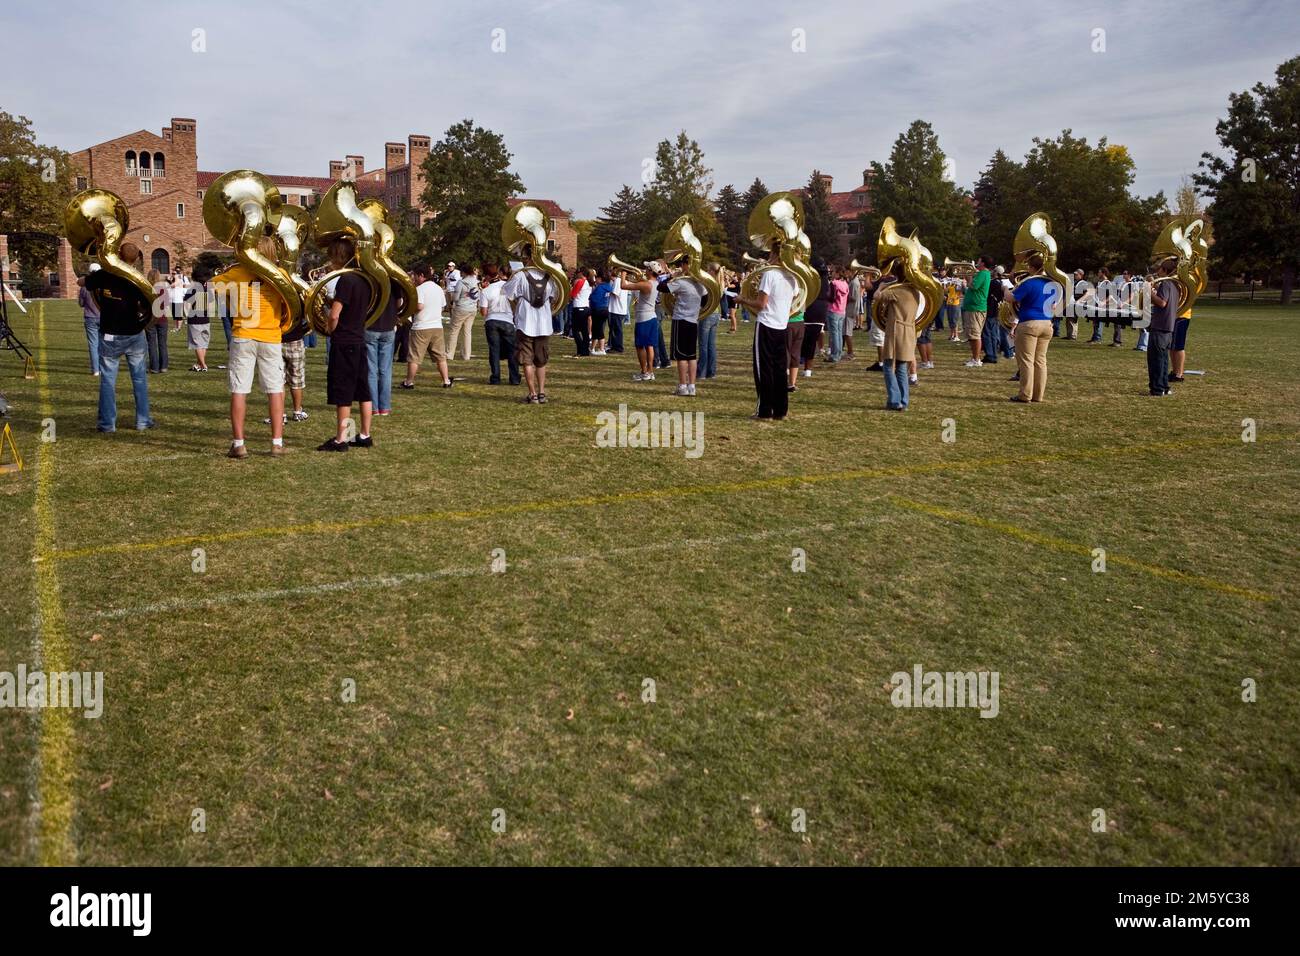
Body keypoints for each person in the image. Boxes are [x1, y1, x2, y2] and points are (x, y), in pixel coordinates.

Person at [218, 240, 287, 458]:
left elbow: (211, 287)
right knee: (275, 390)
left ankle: (239, 444)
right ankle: (277, 443)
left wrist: (232, 291)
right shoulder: (280, 274)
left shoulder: (238, 273)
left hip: (243, 336)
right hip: (271, 337)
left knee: (239, 390)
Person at [86, 241, 153, 432]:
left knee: (108, 380)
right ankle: (143, 420)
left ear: (119, 255)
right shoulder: (138, 278)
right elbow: (148, 304)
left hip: (110, 334)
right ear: (136, 259)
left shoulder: (105, 274)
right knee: (139, 378)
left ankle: (107, 424)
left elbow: (83, 283)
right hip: (135, 333)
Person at [318, 237, 375, 451]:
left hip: (344, 341)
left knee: (344, 392)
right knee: (362, 390)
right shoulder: (364, 279)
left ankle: (341, 439)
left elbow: (335, 316)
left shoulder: (345, 280)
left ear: (338, 256)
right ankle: (363, 435)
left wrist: (329, 328)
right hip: (359, 339)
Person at [736, 247, 796, 421]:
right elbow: (794, 299)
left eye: (770, 253)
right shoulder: (793, 276)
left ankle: (764, 411)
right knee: (779, 369)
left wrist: (743, 300)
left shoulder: (770, 274)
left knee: (764, 369)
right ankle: (780, 410)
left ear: (775, 254)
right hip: (782, 325)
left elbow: (761, 304)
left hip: (767, 324)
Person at [502, 255, 559, 404]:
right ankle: (541, 393)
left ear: (528, 257)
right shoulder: (551, 276)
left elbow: (507, 293)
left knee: (527, 361)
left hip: (525, 323)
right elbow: (556, 297)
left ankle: (532, 394)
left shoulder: (520, 274)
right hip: (544, 324)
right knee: (541, 361)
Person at [1005, 253, 1054, 404]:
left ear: (1032, 267)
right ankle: (1038, 396)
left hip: (1029, 324)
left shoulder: (1029, 283)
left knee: (1026, 361)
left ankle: (1025, 395)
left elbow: (1011, 298)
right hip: (1046, 324)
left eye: (1028, 266)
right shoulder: (1050, 283)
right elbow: (1054, 305)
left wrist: (1005, 288)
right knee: (1040, 361)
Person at [874, 262, 918, 411]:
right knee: (901, 367)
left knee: (888, 365)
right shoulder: (915, 291)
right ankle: (903, 401)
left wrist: (880, 286)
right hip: (909, 330)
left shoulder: (898, 290)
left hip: (896, 330)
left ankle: (894, 401)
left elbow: (877, 297)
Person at [402, 262, 453, 390]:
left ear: (421, 275)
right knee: (440, 356)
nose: (413, 278)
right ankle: (446, 380)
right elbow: (442, 306)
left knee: (414, 357)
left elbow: (419, 306)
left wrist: (409, 310)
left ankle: (409, 381)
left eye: (415, 276)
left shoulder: (419, 289)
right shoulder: (438, 289)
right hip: (436, 326)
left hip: (421, 326)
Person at [659, 260, 705, 396]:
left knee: (681, 356)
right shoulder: (700, 284)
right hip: (693, 321)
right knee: (692, 355)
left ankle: (682, 386)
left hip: (681, 320)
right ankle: (692, 387)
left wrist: (671, 276)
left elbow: (661, 287)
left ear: (686, 265)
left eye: (682, 264)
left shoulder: (681, 282)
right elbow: (706, 299)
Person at [480, 263, 520, 385]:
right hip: (507, 319)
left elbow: (484, 312)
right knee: (512, 350)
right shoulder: (507, 286)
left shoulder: (486, 291)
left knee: (494, 350)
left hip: (492, 320)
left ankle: (495, 377)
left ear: (487, 276)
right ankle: (514, 378)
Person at [1146, 258, 1180, 397]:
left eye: (1160, 268)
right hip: (1168, 327)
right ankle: (1164, 387)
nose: (1157, 271)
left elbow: (1162, 303)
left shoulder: (1165, 283)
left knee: (1156, 360)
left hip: (1160, 327)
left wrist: (1149, 292)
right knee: (1163, 360)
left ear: (1165, 270)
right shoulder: (1175, 285)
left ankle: (1157, 389)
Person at [622, 266, 660, 382]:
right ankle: (650, 372)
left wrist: (623, 274)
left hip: (643, 318)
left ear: (650, 271)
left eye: (646, 269)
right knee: (649, 345)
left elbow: (623, 286)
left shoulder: (646, 284)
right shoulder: (656, 283)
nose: (644, 271)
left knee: (640, 346)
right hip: (652, 316)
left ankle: (644, 372)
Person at [799, 259, 831, 379]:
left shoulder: (810, 279)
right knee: (812, 342)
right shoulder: (825, 281)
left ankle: (792, 367)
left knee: (800, 341)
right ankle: (808, 370)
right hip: (821, 311)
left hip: (809, 308)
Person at [961, 256, 991, 367]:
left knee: (975, 334)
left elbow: (973, 285)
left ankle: (976, 359)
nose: (977, 263)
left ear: (983, 263)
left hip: (976, 308)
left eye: (978, 261)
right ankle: (974, 358)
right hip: (973, 308)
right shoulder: (982, 273)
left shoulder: (983, 273)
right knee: (972, 334)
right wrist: (966, 275)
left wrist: (968, 277)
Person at [446, 263, 479, 361]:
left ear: (464, 272)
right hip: (472, 309)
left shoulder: (461, 282)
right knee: (467, 332)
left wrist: (453, 301)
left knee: (454, 331)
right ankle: (466, 355)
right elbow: (477, 295)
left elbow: (456, 298)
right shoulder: (476, 282)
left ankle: (449, 354)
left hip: (461, 308)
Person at [697, 263, 723, 380]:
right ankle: (711, 372)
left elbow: (703, 298)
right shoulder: (720, 282)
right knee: (711, 345)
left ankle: (701, 372)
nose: (706, 272)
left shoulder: (709, 283)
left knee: (703, 345)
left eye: (708, 270)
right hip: (716, 314)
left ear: (712, 271)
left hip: (707, 314)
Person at [77, 268, 101, 376]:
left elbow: (81, 303)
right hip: (103, 317)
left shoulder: (84, 287)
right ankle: (103, 367)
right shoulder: (103, 285)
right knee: (103, 344)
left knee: (93, 344)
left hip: (90, 317)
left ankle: (96, 369)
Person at [145, 268, 169, 373]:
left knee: (152, 343)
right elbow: (166, 303)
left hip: (150, 318)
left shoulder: (146, 289)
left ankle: (154, 367)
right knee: (162, 343)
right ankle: (163, 366)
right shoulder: (163, 289)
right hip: (162, 318)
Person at [826, 265, 849, 363]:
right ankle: (838, 353)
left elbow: (831, 297)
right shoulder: (845, 284)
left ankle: (835, 355)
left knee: (834, 334)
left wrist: (825, 296)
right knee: (839, 333)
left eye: (834, 272)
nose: (832, 273)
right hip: (842, 310)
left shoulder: (834, 283)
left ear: (838, 273)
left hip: (833, 310)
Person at [569, 267, 592, 356]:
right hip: (586, 307)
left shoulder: (580, 282)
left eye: (578, 272)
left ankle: (580, 349)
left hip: (578, 307)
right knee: (584, 330)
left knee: (575, 331)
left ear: (581, 273)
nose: (577, 274)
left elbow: (573, 295)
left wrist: (571, 288)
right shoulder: (589, 282)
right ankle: (585, 350)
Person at [589, 269, 611, 355]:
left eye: (597, 278)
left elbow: (594, 299)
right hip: (604, 309)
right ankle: (592, 348)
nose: (596, 280)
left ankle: (602, 349)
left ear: (600, 279)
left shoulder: (600, 287)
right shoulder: (608, 286)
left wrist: (591, 296)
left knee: (598, 330)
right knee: (596, 329)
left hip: (598, 310)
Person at [607, 272, 628, 354]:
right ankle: (613, 345)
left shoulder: (618, 280)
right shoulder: (623, 281)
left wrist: (607, 291)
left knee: (616, 330)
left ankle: (618, 347)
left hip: (616, 309)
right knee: (615, 329)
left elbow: (615, 293)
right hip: (620, 309)